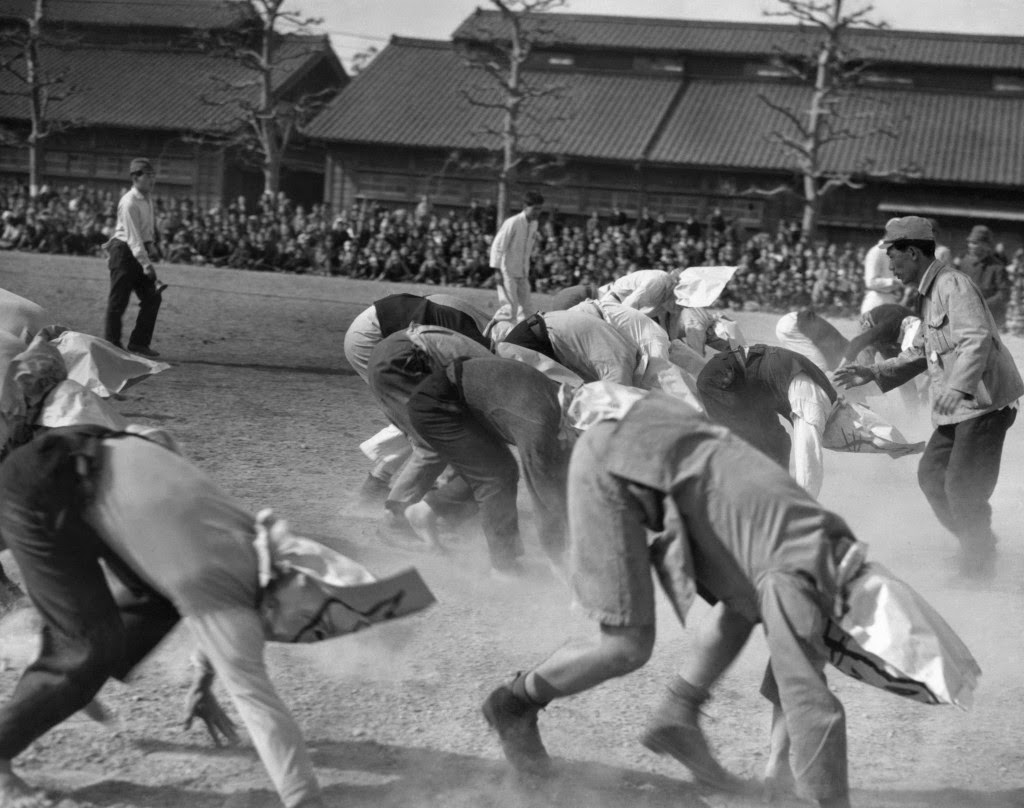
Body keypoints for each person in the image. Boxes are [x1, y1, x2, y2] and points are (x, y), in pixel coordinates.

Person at [481, 391, 860, 808]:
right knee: (626, 646)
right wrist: (798, 783)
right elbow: (806, 693)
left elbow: (797, 667)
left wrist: (777, 769)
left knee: (749, 602)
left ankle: (680, 711)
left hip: (668, 462)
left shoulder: (816, 551)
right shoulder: (811, 566)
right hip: (614, 465)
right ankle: (513, 704)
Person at [0, 426, 325, 808]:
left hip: (87, 464)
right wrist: (304, 799)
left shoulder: (251, 539)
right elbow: (255, 696)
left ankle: (75, 671)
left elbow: (223, 621)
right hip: (45, 488)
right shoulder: (217, 581)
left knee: (155, 597)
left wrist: (203, 682)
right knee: (88, 646)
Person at [835, 216, 1023, 580]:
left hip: (984, 403)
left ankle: (978, 564)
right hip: (959, 407)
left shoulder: (952, 285)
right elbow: (920, 351)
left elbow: (976, 339)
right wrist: (872, 372)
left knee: (962, 487)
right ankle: (979, 545)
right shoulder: (929, 291)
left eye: (894, 257)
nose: (891, 266)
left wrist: (958, 387)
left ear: (912, 252)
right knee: (931, 476)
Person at [403, 356, 572, 574]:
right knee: (495, 478)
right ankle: (503, 567)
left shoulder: (563, 399)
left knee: (499, 469)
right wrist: (558, 557)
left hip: (464, 400)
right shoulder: (538, 426)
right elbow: (544, 496)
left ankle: (426, 510)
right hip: (437, 406)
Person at [104, 158, 165, 358]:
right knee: (118, 301)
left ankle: (139, 343)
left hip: (136, 251)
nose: (152, 180)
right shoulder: (129, 202)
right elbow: (133, 237)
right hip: (123, 253)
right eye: (148, 176)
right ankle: (111, 344)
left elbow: (145, 230)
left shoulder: (147, 199)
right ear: (136, 177)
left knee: (152, 297)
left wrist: (152, 244)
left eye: (153, 176)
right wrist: (147, 265)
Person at [489, 190, 544, 324]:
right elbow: (498, 245)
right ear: (525, 207)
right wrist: (497, 271)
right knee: (509, 309)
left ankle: (523, 338)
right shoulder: (513, 222)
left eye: (539, 209)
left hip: (523, 272)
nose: (537, 212)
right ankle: (498, 336)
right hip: (507, 271)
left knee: (527, 309)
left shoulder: (534, 224)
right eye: (534, 209)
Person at [959, 224, 1009, 329]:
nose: (970, 246)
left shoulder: (997, 267)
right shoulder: (965, 263)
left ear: (986, 246)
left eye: (975, 243)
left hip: (990, 319)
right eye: (969, 242)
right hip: (965, 317)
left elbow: (1004, 294)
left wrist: (982, 305)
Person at [860, 238, 902, 313]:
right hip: (876, 300)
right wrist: (892, 281)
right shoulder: (876, 251)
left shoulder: (893, 252)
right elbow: (870, 282)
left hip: (890, 299)